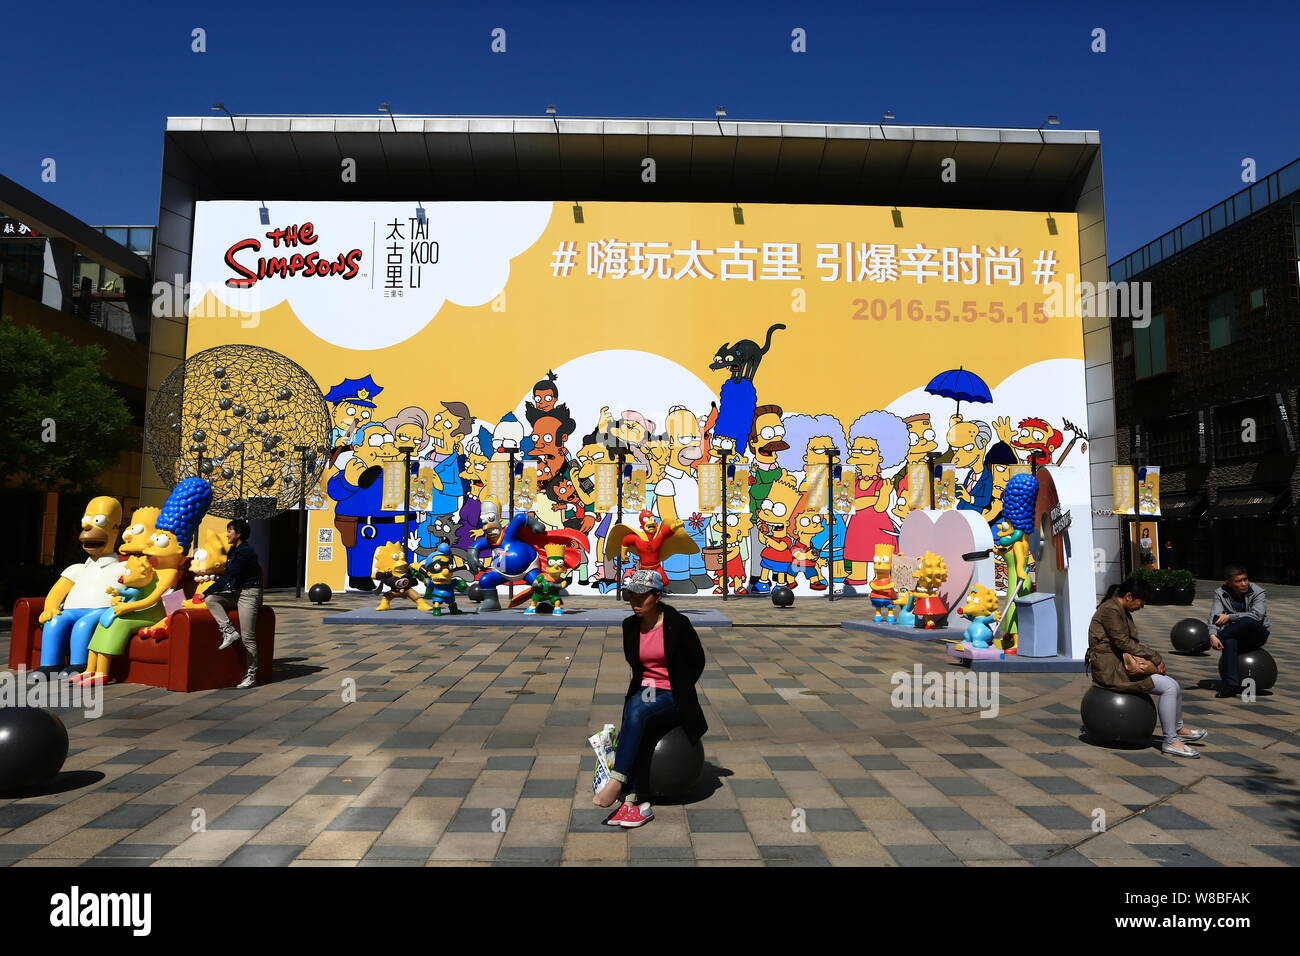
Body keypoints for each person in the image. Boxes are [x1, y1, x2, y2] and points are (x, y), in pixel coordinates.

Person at [592, 569, 708, 827]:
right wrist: (646, 693)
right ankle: (631, 802)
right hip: (645, 691)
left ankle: (617, 780)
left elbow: (697, 661)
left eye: (641, 597)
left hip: (673, 694)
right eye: (631, 596)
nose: (635, 602)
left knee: (638, 711)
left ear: (657, 596)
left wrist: (680, 687)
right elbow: (637, 667)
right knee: (638, 709)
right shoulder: (629, 626)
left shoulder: (678, 625)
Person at [1086, 578, 1208, 758]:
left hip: (1118, 663)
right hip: (1111, 670)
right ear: (1129, 596)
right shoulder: (1111, 610)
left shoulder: (1118, 608)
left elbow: (1126, 642)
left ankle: (1177, 729)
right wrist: (1154, 656)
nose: (1142, 606)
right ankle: (1170, 741)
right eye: (1141, 601)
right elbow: (1123, 642)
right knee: (1168, 688)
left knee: (1173, 685)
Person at [204, 519, 264, 689]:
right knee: (212, 600)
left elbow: (229, 576)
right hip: (236, 593)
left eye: (230, 531)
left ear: (239, 534)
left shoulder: (245, 552)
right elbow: (229, 576)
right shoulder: (233, 551)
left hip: (249, 594)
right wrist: (211, 593)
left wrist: (207, 590)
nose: (227, 534)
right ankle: (228, 631)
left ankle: (251, 675)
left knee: (248, 636)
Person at [1207, 564, 1270, 698]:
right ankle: (1230, 686)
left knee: (1248, 621)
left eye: (1245, 579)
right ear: (1228, 582)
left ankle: (1205, 643)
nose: (1244, 583)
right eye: (1238, 581)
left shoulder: (1258, 592)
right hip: (1233, 634)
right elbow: (1215, 616)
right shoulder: (1220, 593)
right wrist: (1212, 635)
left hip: (1256, 634)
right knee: (1229, 642)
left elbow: (1257, 616)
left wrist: (1230, 617)